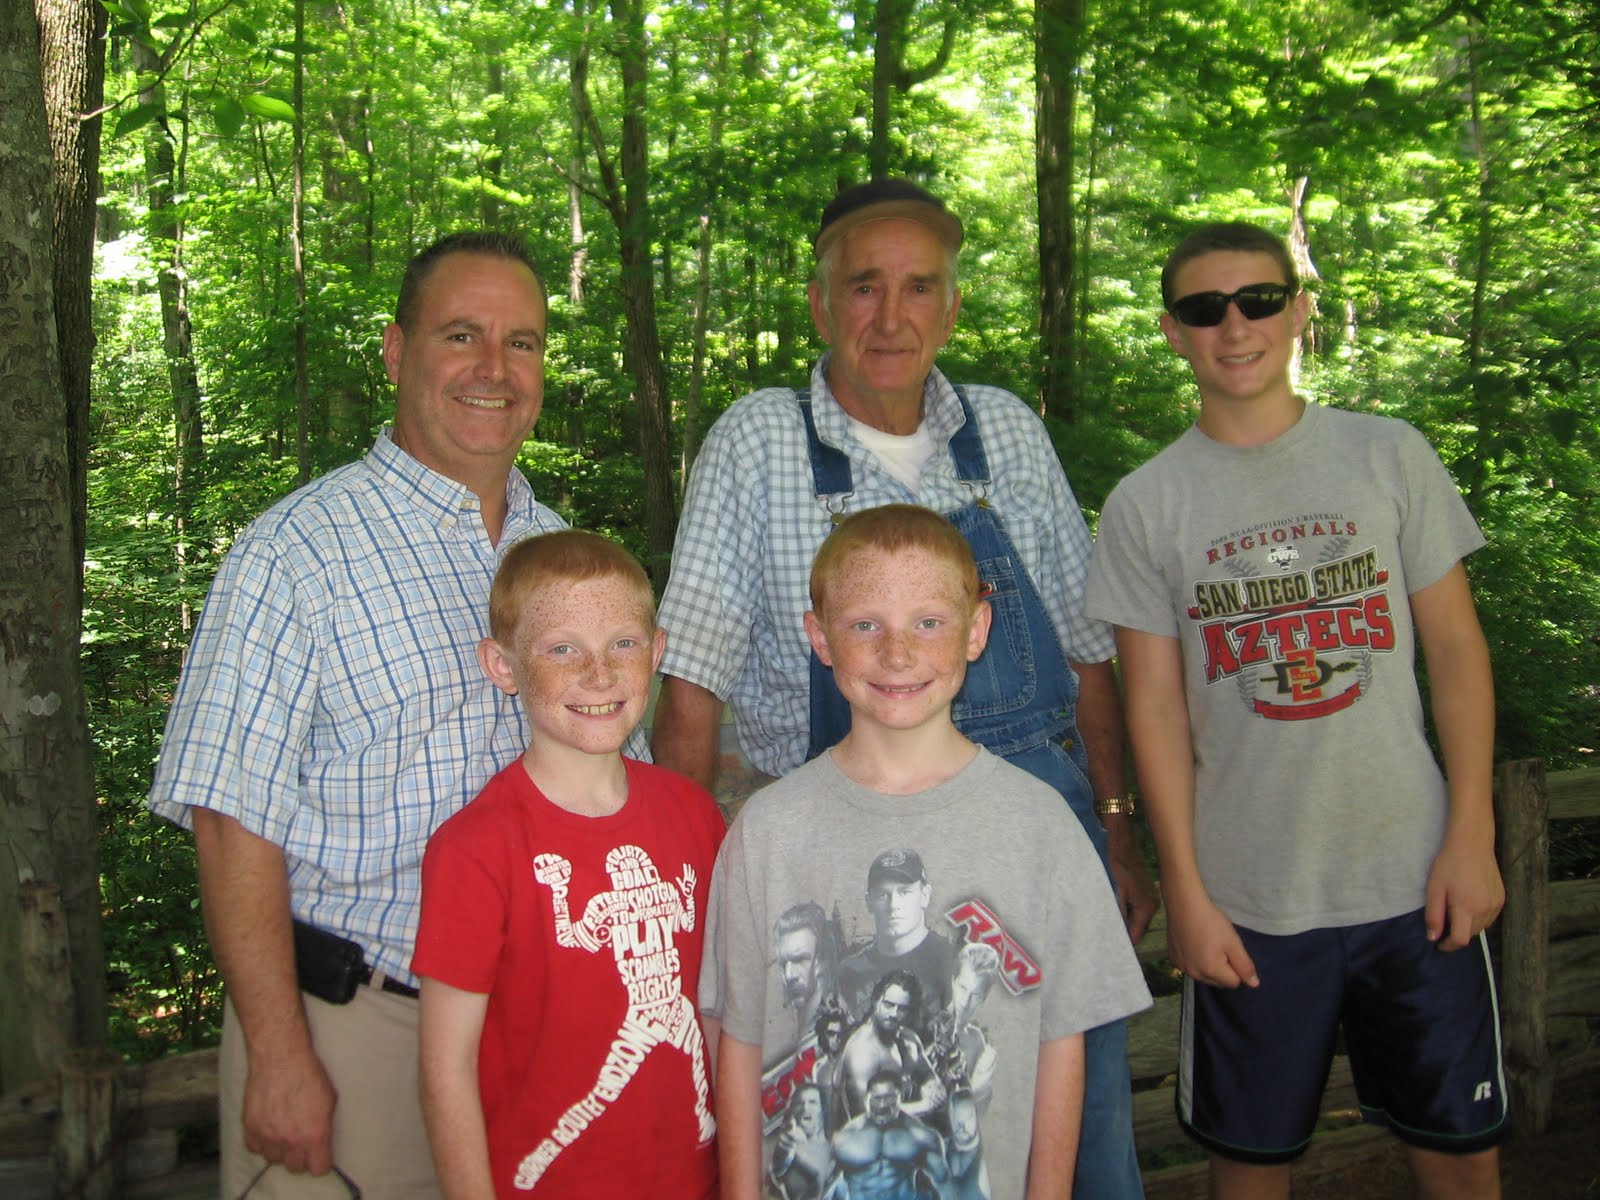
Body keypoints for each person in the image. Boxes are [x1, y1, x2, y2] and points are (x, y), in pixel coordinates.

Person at [654, 176, 1155, 1199]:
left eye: (919, 287)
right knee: (856, 1131)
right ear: (819, 303)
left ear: (953, 306)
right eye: (864, 287)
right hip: (834, 849)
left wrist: (1114, 827)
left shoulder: (1006, 433)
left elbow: (1084, 650)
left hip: (1030, 830)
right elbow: (690, 685)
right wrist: (695, 886)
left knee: (1073, 1121)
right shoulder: (758, 440)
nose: (891, 316)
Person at [1084, 221, 1508, 1199]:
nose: (1235, 326)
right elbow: (1149, 708)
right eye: (1205, 308)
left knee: (1459, 1150)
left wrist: (1471, 832)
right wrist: (1184, 892)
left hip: (1416, 880)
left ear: (1298, 312)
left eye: (1258, 301)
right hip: (1248, 901)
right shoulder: (1148, 505)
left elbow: (1454, 649)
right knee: (1249, 1160)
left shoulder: (1387, 456)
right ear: (1172, 332)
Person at [147, 231, 569, 1197]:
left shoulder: (568, 558)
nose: (494, 370)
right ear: (395, 350)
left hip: (538, 1032)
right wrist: (279, 1056)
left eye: (523, 343)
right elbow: (228, 820)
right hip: (359, 1034)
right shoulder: (296, 554)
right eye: (461, 335)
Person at [701, 504, 1152, 1200]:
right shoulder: (767, 833)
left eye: (929, 622)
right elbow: (738, 1042)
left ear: (976, 630)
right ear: (820, 638)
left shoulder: (1042, 827)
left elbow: (1062, 1046)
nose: (898, 653)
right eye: (864, 625)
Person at [412, 530, 724, 1197]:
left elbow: (724, 1009)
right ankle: (543, 1155)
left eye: (624, 643)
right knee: (598, 1096)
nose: (600, 673)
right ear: (503, 666)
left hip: (693, 1181)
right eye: (562, 650)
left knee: (698, 1064)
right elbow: (447, 1066)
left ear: (657, 652)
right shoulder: (477, 848)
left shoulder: (694, 816)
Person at [834, 849, 953, 1027]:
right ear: (869, 903)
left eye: (904, 892)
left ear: (925, 896)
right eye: (883, 895)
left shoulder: (951, 960)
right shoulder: (850, 972)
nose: (894, 905)